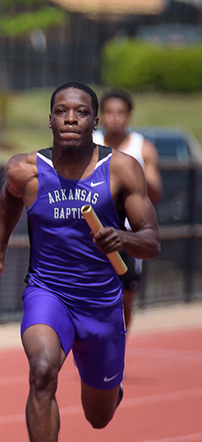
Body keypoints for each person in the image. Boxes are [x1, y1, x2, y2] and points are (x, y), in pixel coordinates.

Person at [0, 81, 160, 442]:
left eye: (81, 111)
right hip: (48, 293)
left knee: (99, 417)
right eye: (62, 111)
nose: (71, 118)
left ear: (95, 121)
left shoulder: (121, 170)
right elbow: (8, 201)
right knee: (42, 369)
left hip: (100, 304)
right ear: (51, 119)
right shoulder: (26, 169)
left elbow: (153, 241)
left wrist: (124, 238)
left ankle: (110, 389)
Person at [93, 89, 163, 331]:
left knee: (126, 297)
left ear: (128, 116)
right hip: (95, 232)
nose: (115, 118)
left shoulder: (142, 148)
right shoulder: (91, 145)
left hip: (127, 235)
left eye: (120, 113)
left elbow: (156, 194)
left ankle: (119, 341)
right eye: (110, 113)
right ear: (101, 116)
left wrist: (131, 174)